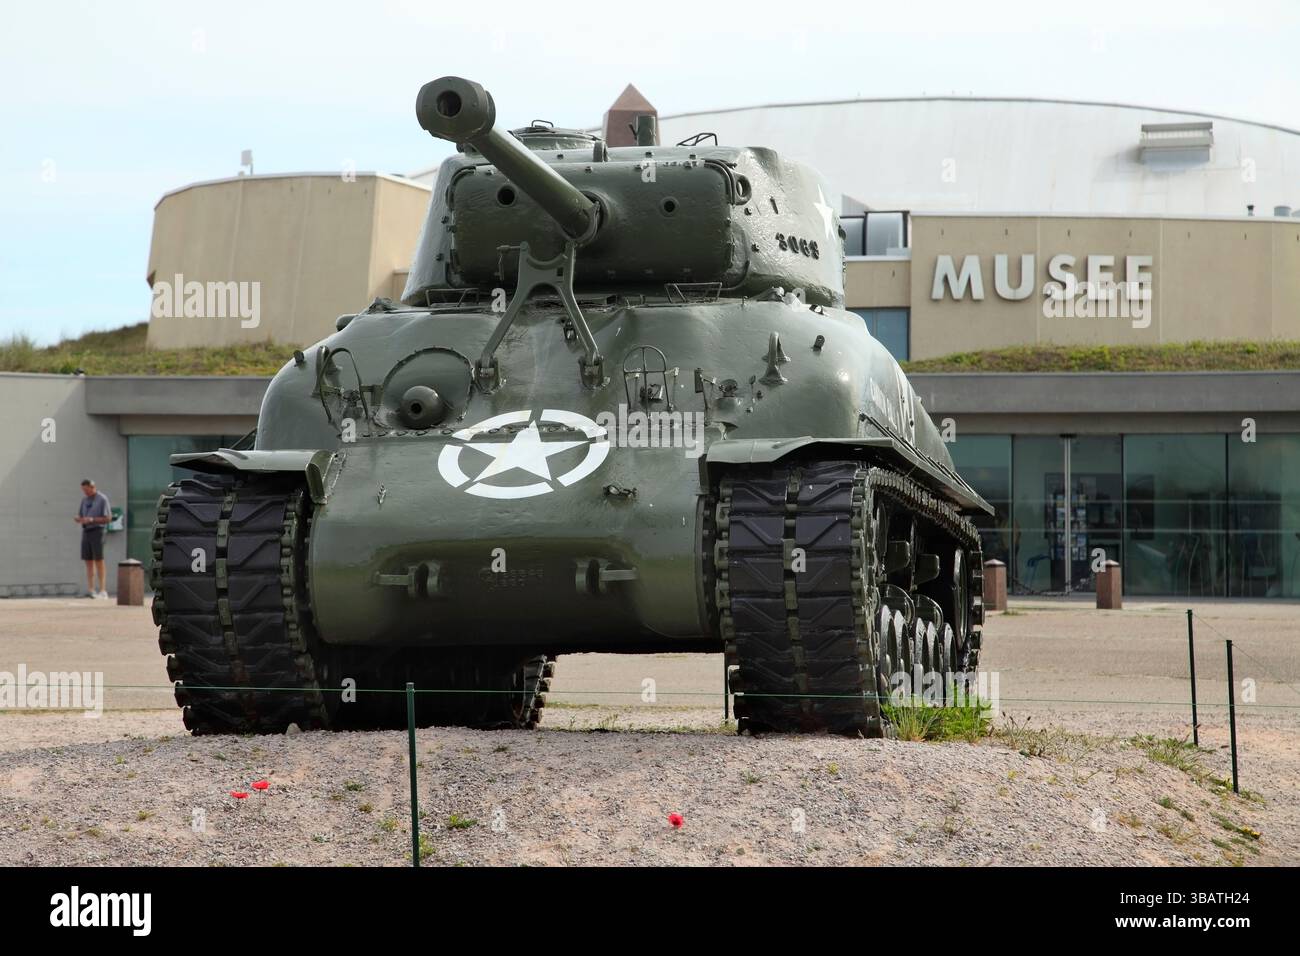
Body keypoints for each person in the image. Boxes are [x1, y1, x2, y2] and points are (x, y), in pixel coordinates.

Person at [76, 479, 111, 599]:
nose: (85, 492)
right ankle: (91, 589)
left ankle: (102, 590)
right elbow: (81, 515)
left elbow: (108, 518)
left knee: (99, 560)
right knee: (88, 561)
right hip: (86, 531)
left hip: (98, 531)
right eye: (83, 490)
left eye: (86, 490)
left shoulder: (102, 499)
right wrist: (79, 519)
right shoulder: (84, 500)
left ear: (92, 487)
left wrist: (92, 519)